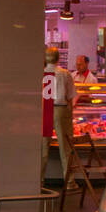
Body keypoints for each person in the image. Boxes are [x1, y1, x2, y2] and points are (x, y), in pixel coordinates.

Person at [45, 47, 78, 187]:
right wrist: (70, 113)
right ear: (58, 58)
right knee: (65, 147)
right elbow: (70, 96)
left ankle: (38, 181)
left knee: (42, 146)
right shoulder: (65, 74)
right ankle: (69, 181)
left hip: (45, 110)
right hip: (61, 110)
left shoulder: (41, 73)